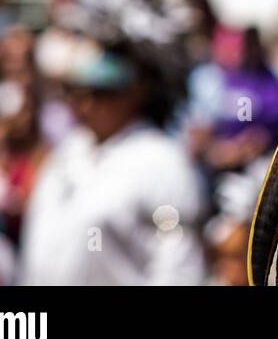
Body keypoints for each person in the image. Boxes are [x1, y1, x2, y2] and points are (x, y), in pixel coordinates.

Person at [19, 29, 206, 285]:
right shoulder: (67, 151)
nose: (85, 104)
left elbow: (178, 265)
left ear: (135, 91)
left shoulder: (163, 162)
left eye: (100, 92)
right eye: (77, 91)